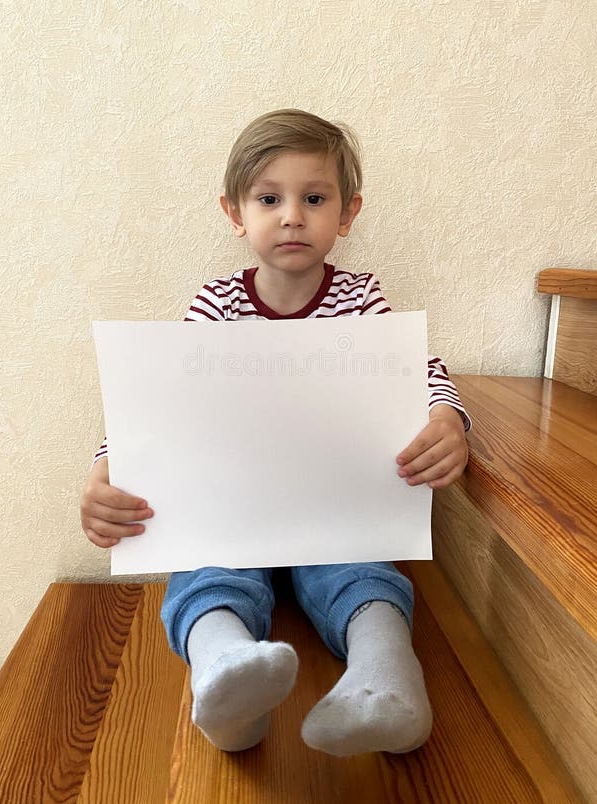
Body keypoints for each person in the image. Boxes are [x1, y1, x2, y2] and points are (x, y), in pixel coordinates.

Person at [81, 108, 470, 756]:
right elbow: (159, 404)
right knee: (205, 573)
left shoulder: (361, 301)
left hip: (333, 512)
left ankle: (387, 679)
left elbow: (420, 373)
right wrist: (106, 469)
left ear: (347, 214)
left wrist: (447, 418)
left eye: (313, 198)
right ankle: (224, 673)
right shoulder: (216, 306)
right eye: (270, 198)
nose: (292, 215)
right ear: (236, 214)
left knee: (362, 570)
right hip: (235, 513)